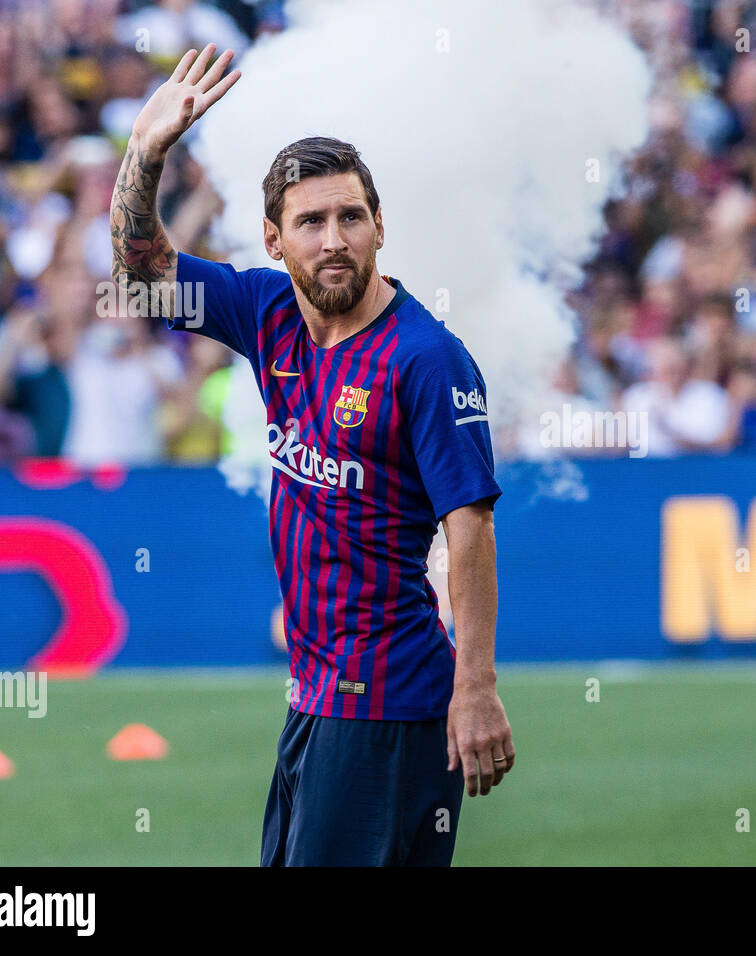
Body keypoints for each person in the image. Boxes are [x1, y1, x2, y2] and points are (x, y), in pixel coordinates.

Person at [110, 45, 513, 866]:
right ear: (274, 238)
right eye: (311, 222)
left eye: (351, 217)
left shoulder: (425, 359)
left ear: (378, 225)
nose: (335, 240)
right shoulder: (263, 312)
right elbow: (141, 275)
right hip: (315, 700)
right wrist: (145, 154)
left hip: (391, 702)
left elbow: (469, 527)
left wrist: (476, 688)